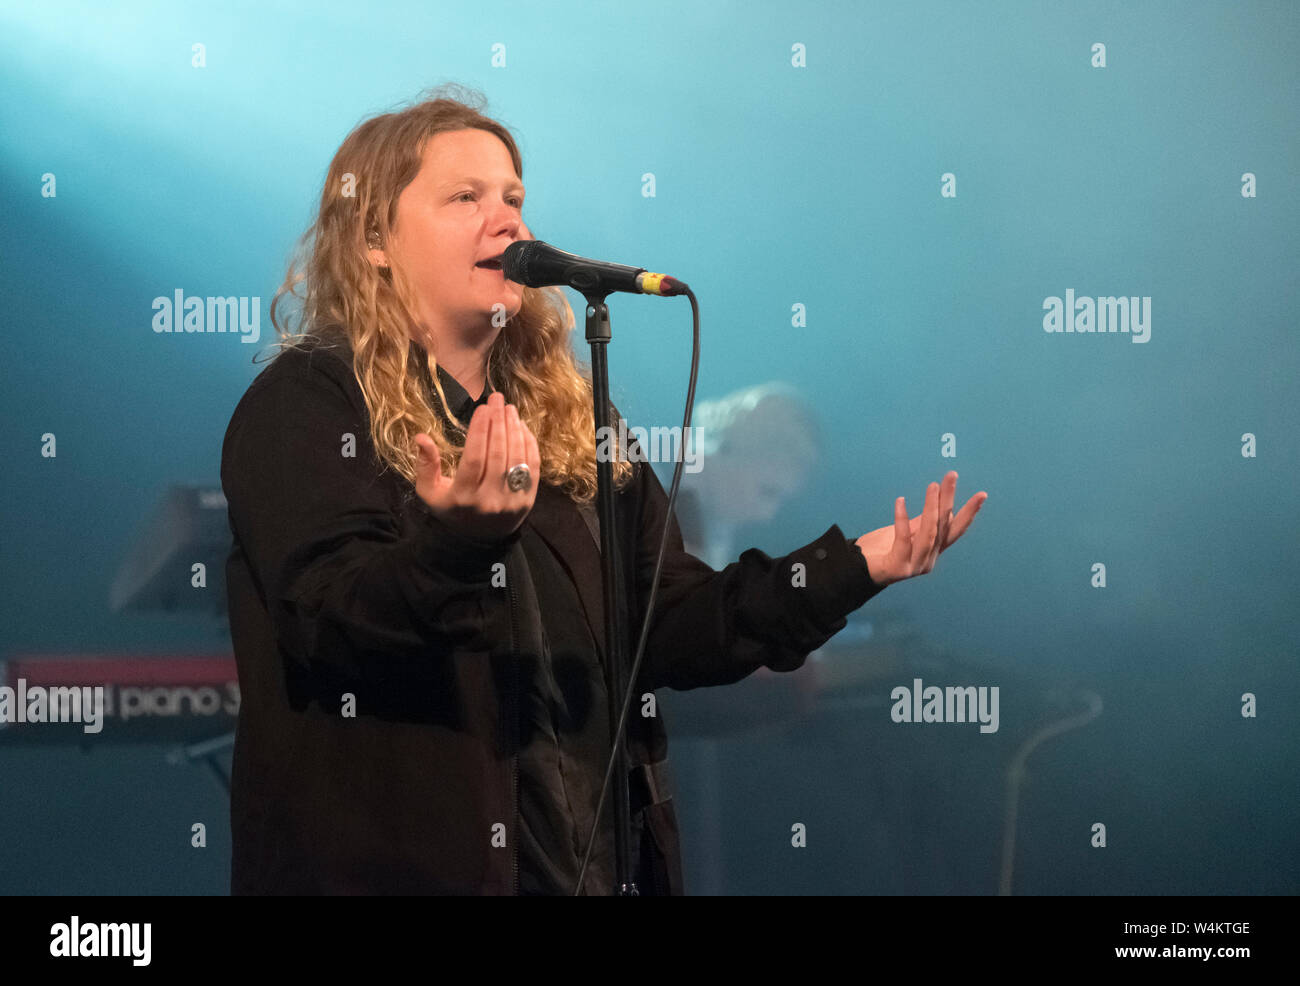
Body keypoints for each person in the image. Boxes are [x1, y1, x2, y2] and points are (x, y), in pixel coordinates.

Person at [219, 83, 988, 895]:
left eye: (515, 197)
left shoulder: (571, 422)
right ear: (375, 237)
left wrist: (849, 568)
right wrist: (457, 541)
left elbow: (674, 624)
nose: (509, 219)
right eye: (465, 197)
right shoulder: (307, 403)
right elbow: (331, 621)